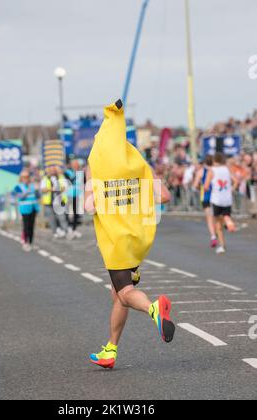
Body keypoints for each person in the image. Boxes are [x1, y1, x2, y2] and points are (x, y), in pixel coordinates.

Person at [85, 100, 175, 370]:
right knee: (117, 293)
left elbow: (90, 206)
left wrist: (93, 193)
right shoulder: (138, 163)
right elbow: (166, 196)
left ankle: (154, 309)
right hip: (138, 237)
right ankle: (110, 350)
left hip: (117, 242)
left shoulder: (98, 169)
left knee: (124, 293)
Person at [204, 153, 238, 255]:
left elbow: (206, 186)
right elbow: (236, 181)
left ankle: (222, 246)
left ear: (214, 161)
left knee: (218, 224)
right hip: (227, 199)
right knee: (226, 215)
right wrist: (231, 190)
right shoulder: (227, 169)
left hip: (216, 199)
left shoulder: (212, 170)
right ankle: (228, 220)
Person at [41, 166, 73, 240]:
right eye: (51, 170)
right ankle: (55, 233)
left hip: (59, 201)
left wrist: (53, 189)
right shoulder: (45, 179)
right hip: (48, 202)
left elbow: (65, 187)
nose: (52, 172)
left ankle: (66, 232)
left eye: (54, 170)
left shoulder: (61, 177)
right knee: (51, 219)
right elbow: (43, 189)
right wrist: (53, 189)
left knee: (62, 218)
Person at [193, 155, 217, 248]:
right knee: (216, 216)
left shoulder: (201, 171)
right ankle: (217, 231)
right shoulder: (216, 171)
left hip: (205, 197)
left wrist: (200, 187)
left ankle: (213, 236)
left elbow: (195, 185)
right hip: (216, 196)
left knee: (209, 217)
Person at [14, 170, 40, 252]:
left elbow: (38, 196)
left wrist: (37, 190)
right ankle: (25, 243)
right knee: (26, 227)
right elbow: (20, 197)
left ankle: (31, 243)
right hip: (25, 209)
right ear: (21, 178)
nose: (26, 179)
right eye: (24, 177)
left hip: (33, 208)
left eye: (27, 177)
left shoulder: (32, 186)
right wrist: (27, 191)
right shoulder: (18, 186)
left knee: (32, 226)